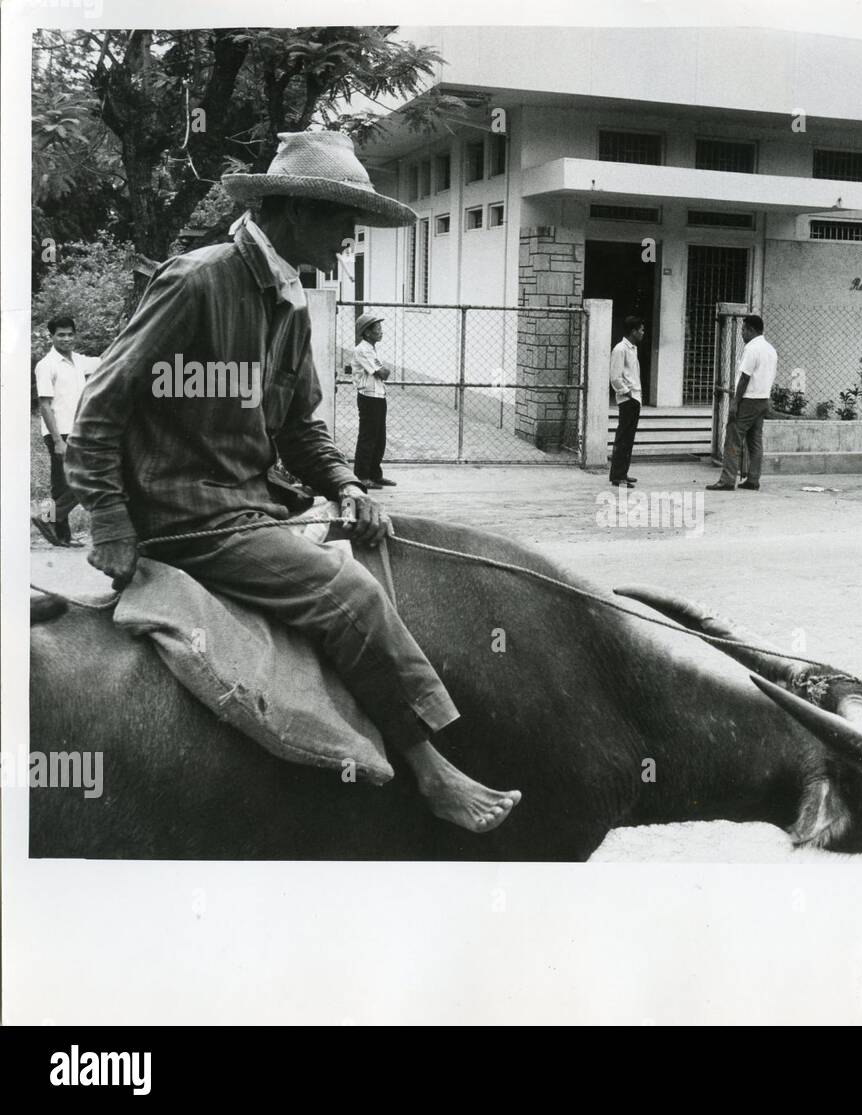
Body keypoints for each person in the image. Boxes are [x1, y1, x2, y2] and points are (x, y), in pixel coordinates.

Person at [65, 131, 520, 834]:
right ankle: (430, 769)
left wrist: (345, 484)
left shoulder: (290, 301)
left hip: (250, 509)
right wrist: (111, 519)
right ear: (294, 211)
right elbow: (100, 402)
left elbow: (300, 428)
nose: (348, 238)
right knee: (354, 596)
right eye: (342, 221)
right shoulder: (196, 280)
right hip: (192, 518)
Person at [32, 316, 100, 546]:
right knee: (86, 478)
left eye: (70, 334)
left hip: (78, 429)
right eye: (61, 335)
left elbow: (108, 359)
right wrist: (57, 440)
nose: (66, 338)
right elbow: (44, 405)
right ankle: (48, 518)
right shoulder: (46, 365)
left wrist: (124, 331)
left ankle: (61, 536)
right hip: (59, 432)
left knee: (61, 485)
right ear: (52, 337)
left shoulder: (79, 361)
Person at [707, 314, 776, 492]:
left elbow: (744, 377)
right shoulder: (770, 349)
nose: (742, 334)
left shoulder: (752, 349)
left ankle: (727, 480)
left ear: (752, 330)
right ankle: (753, 479)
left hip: (748, 400)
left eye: (743, 330)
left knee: (732, 438)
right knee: (755, 441)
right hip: (763, 399)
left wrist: (735, 403)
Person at [352, 311, 394, 487]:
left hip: (378, 396)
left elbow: (383, 372)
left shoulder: (371, 349)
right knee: (368, 438)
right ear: (367, 332)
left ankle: (375, 474)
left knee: (379, 438)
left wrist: (383, 370)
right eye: (377, 329)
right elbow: (383, 373)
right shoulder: (362, 350)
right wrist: (383, 370)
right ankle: (362, 476)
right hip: (369, 398)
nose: (381, 331)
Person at [608, 315, 645, 488]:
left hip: (634, 398)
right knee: (623, 437)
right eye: (641, 330)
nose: (643, 333)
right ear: (633, 331)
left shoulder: (632, 349)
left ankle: (623, 472)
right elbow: (615, 377)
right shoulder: (620, 349)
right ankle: (617, 475)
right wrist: (627, 392)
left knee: (628, 438)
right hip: (628, 399)